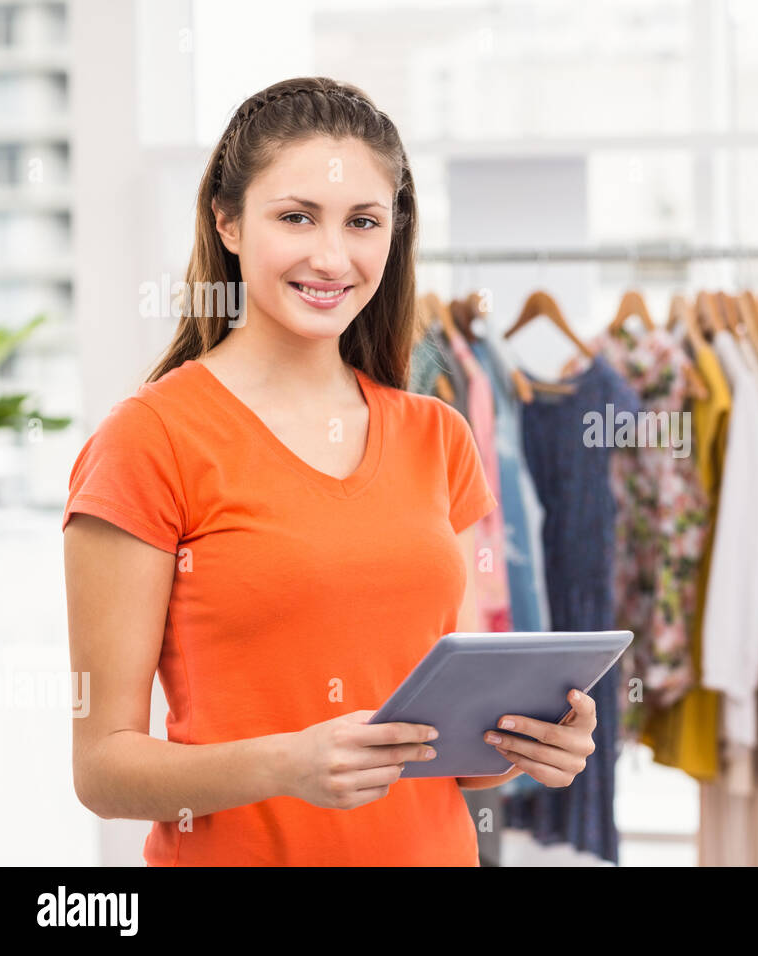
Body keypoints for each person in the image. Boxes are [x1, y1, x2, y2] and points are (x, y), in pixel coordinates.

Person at [62, 77, 596, 866]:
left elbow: (444, 747)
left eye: (362, 222)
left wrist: (527, 744)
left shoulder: (437, 435)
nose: (331, 256)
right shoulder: (149, 440)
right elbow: (103, 768)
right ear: (228, 222)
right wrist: (285, 764)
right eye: (296, 217)